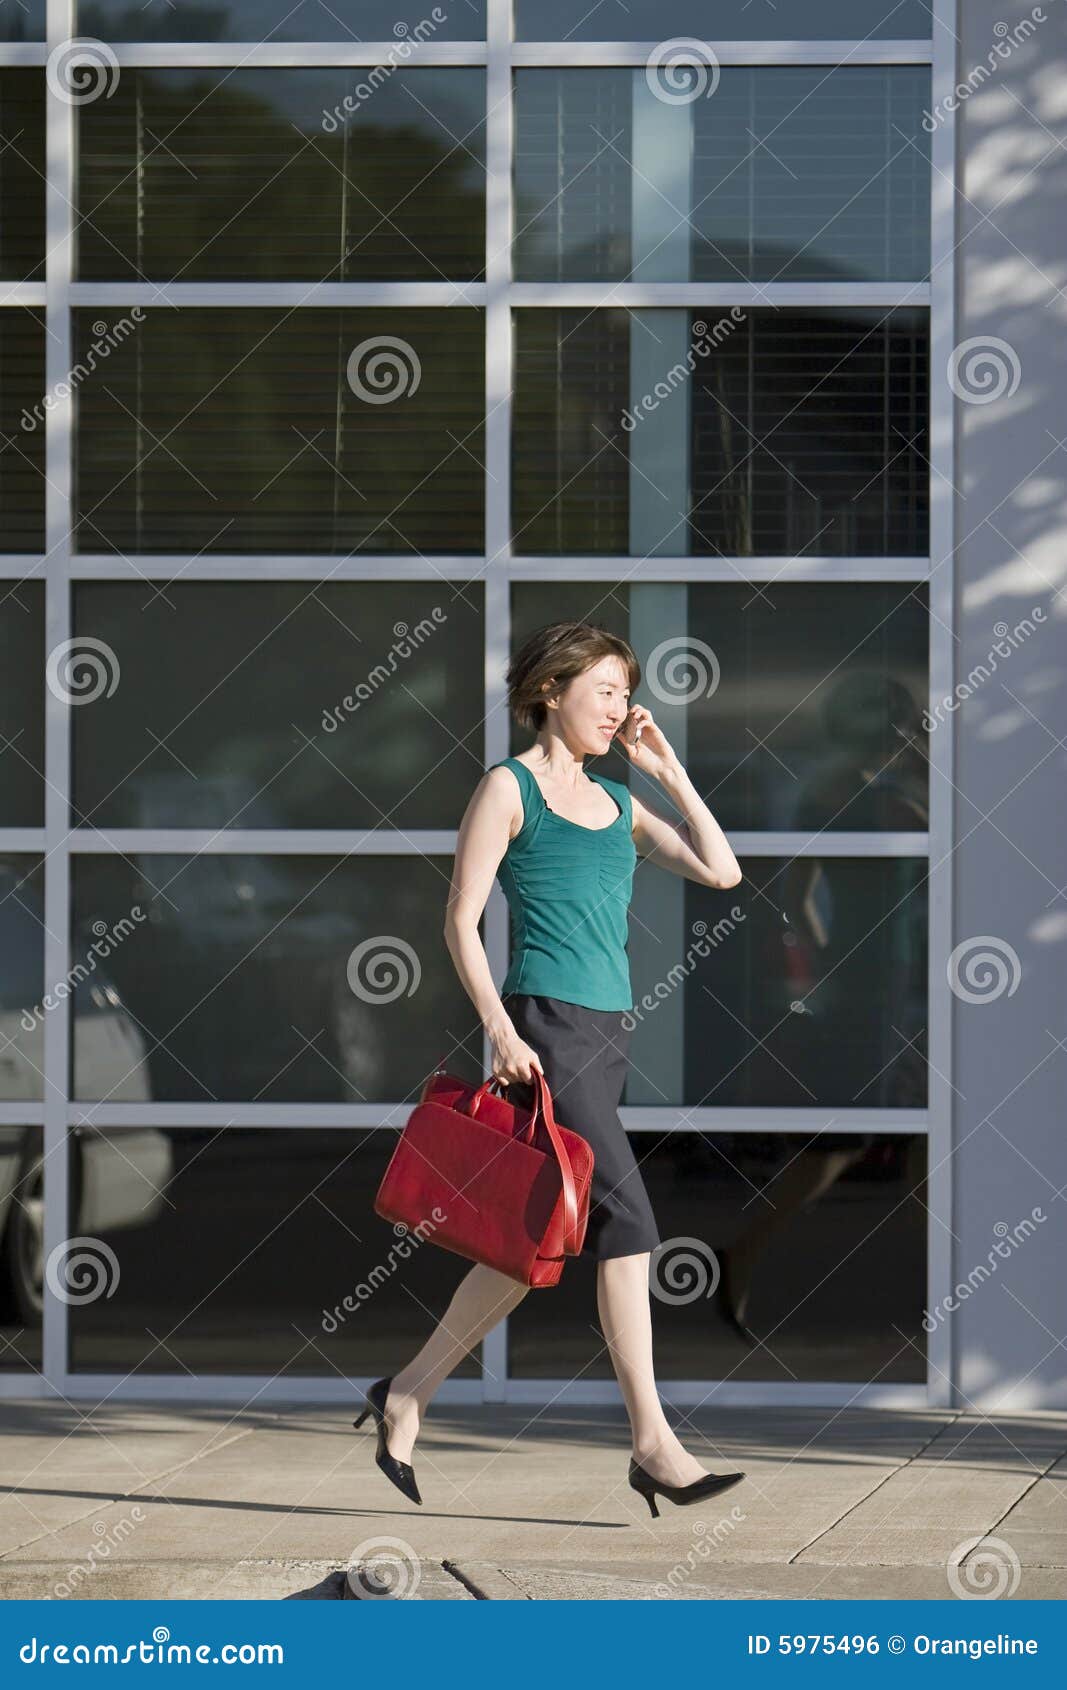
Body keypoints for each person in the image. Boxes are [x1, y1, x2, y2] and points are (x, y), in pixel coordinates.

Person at [355, 622, 747, 1519]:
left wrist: (668, 773)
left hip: (605, 1035)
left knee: (535, 1240)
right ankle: (652, 1442)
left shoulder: (617, 802)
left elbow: (721, 872)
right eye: (603, 690)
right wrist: (498, 1028)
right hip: (546, 1031)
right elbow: (459, 919)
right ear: (550, 691)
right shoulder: (509, 787)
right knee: (630, 1223)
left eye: (624, 691)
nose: (619, 708)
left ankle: (407, 1391)